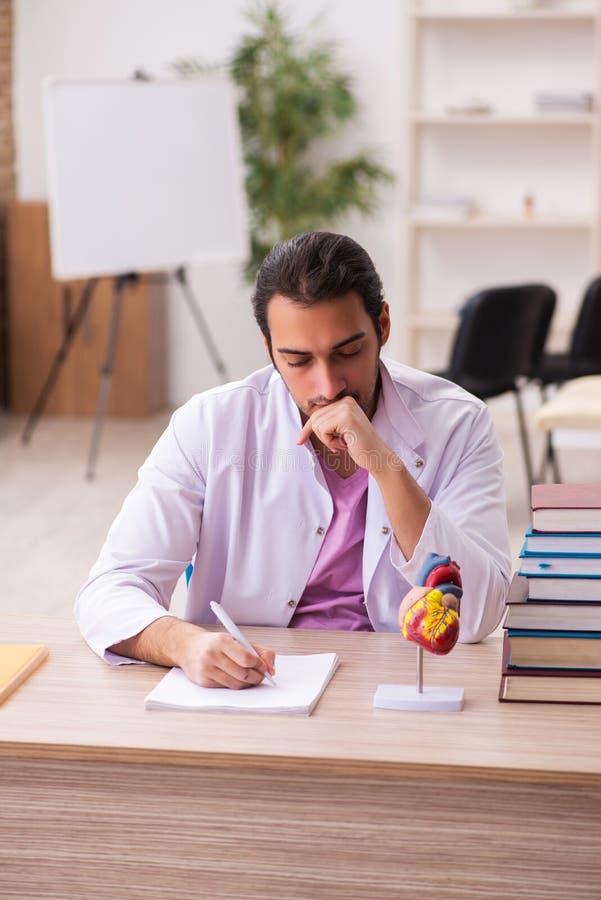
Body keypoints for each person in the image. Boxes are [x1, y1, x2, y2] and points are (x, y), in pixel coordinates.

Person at [75, 231, 511, 689]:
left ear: (382, 325)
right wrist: (183, 643)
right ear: (268, 349)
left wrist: (385, 466)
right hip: (255, 693)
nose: (326, 385)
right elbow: (110, 589)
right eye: (298, 361)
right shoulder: (210, 425)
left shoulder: (459, 423)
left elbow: (482, 613)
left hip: (399, 688)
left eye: (347, 352)